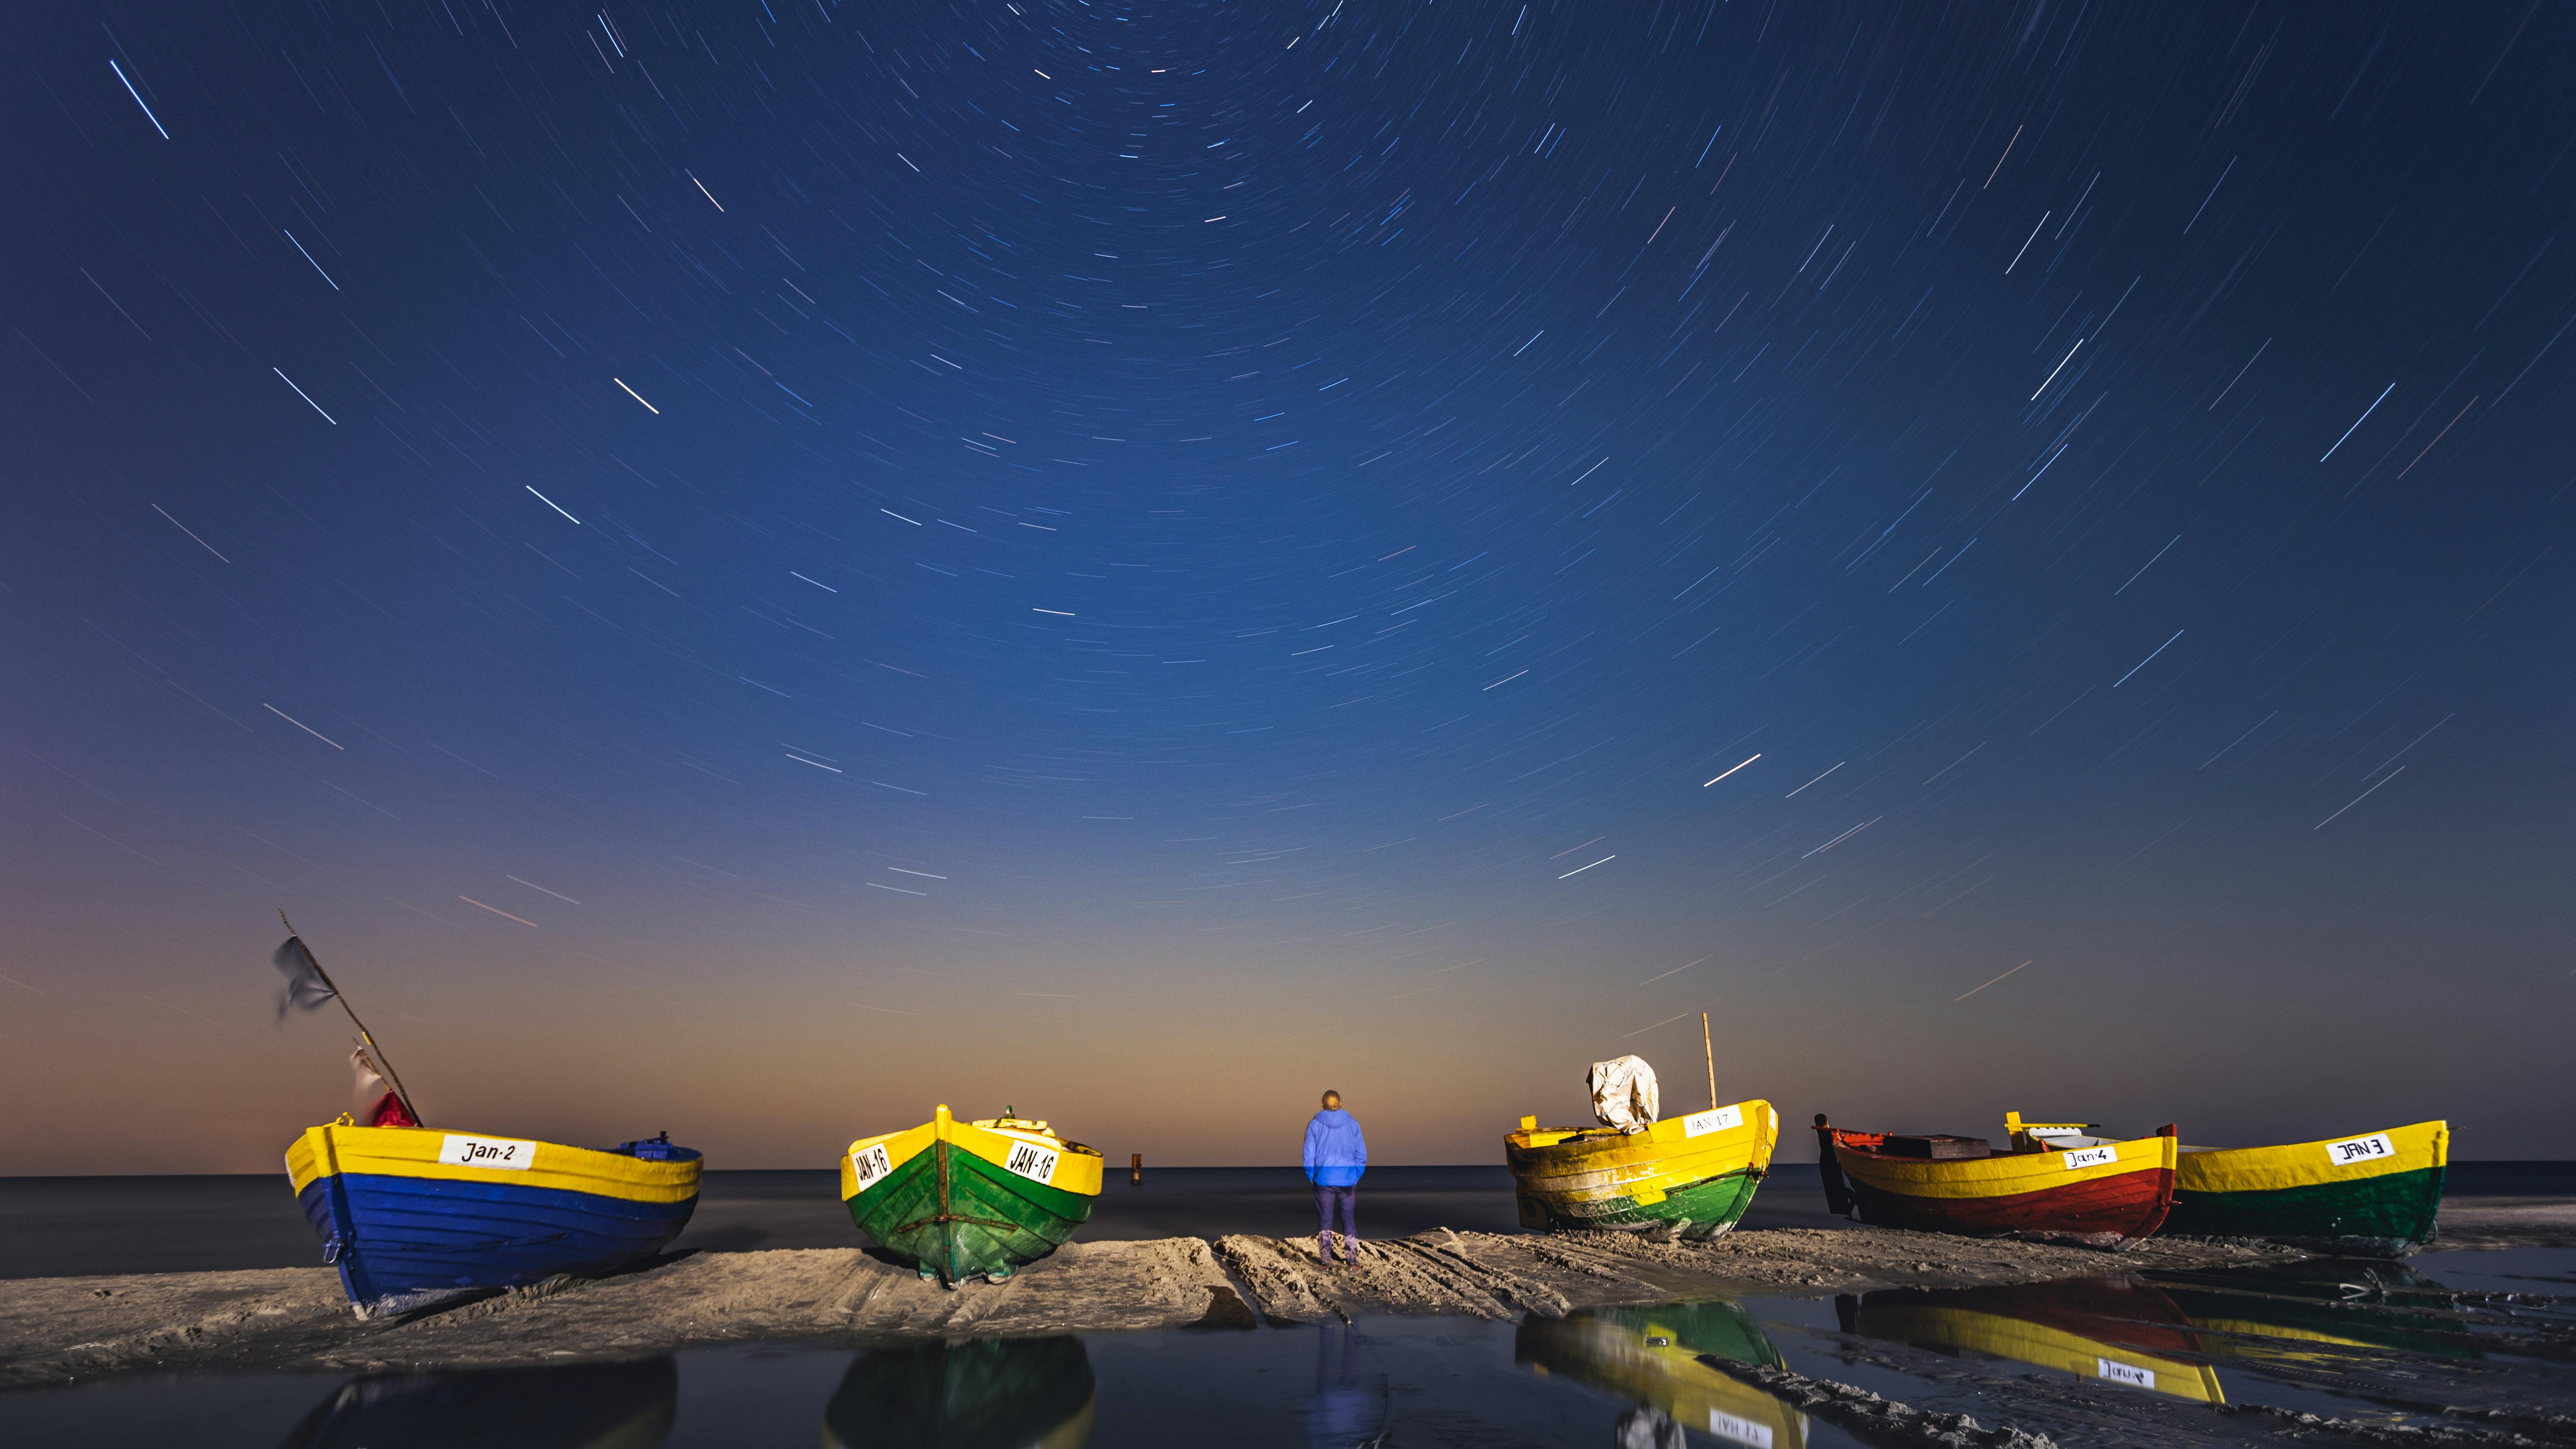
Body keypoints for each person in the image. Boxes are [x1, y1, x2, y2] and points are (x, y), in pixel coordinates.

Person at [1303, 1089, 1367, 1266]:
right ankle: (1353, 1262)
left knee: (1325, 1220)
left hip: (1323, 1179)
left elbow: (1309, 1155)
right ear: (1340, 1103)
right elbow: (1361, 1155)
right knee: (1348, 1219)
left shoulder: (1314, 1124)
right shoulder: (1353, 1124)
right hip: (1347, 1179)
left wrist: (1312, 1176)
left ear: (1322, 1103)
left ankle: (1326, 1262)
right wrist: (1355, 1176)